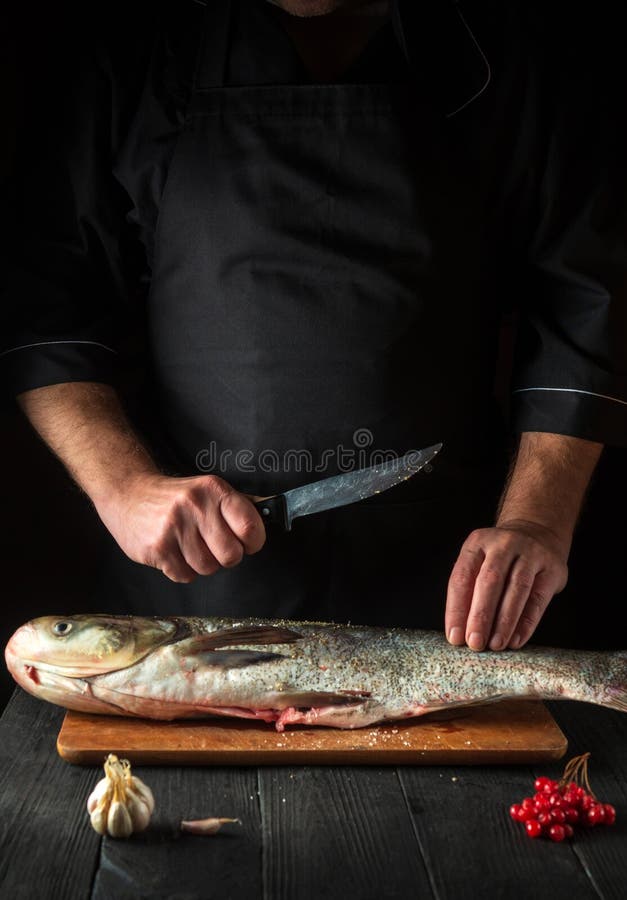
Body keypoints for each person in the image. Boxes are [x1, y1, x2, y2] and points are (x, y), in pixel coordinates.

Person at [2, 0, 626, 650]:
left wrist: (536, 523)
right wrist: (124, 488)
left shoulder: (516, 52)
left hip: (458, 596)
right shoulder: (131, 51)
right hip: (192, 605)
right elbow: (47, 309)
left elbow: (586, 302)